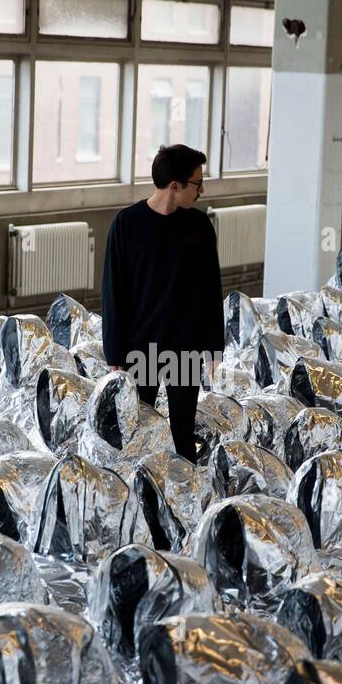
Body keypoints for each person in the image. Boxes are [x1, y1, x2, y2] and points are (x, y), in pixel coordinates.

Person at [100, 144, 224, 463]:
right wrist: (115, 353)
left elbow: (212, 288)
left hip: (186, 348)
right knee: (136, 432)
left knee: (183, 432)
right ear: (175, 186)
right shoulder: (126, 224)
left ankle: (185, 499)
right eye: (197, 183)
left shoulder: (199, 226)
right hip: (140, 349)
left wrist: (214, 347)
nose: (202, 190)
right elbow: (113, 292)